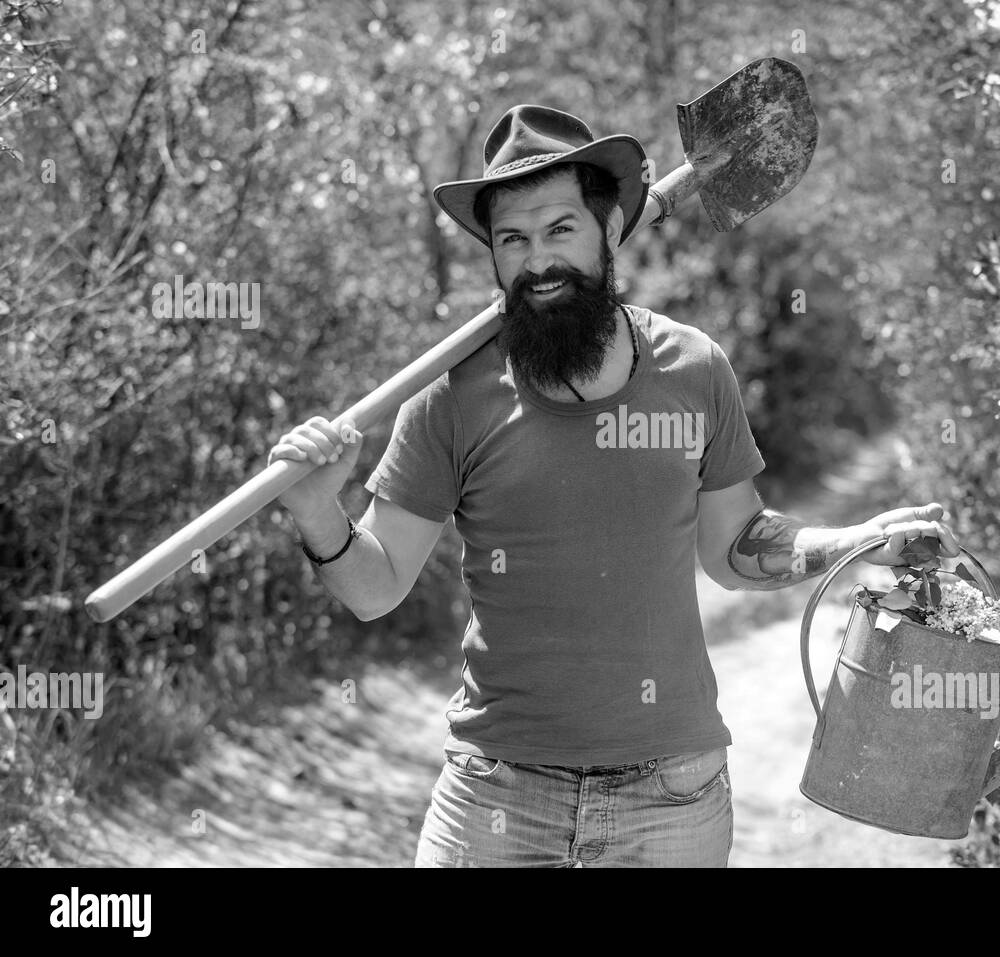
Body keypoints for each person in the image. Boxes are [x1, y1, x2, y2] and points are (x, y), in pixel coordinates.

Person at [267, 104, 962, 867]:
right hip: (497, 794)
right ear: (493, 255)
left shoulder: (693, 369)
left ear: (609, 231)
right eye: (514, 239)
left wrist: (852, 541)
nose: (538, 262)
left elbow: (735, 546)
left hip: (672, 799)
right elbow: (375, 586)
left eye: (561, 229)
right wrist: (315, 510)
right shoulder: (449, 396)